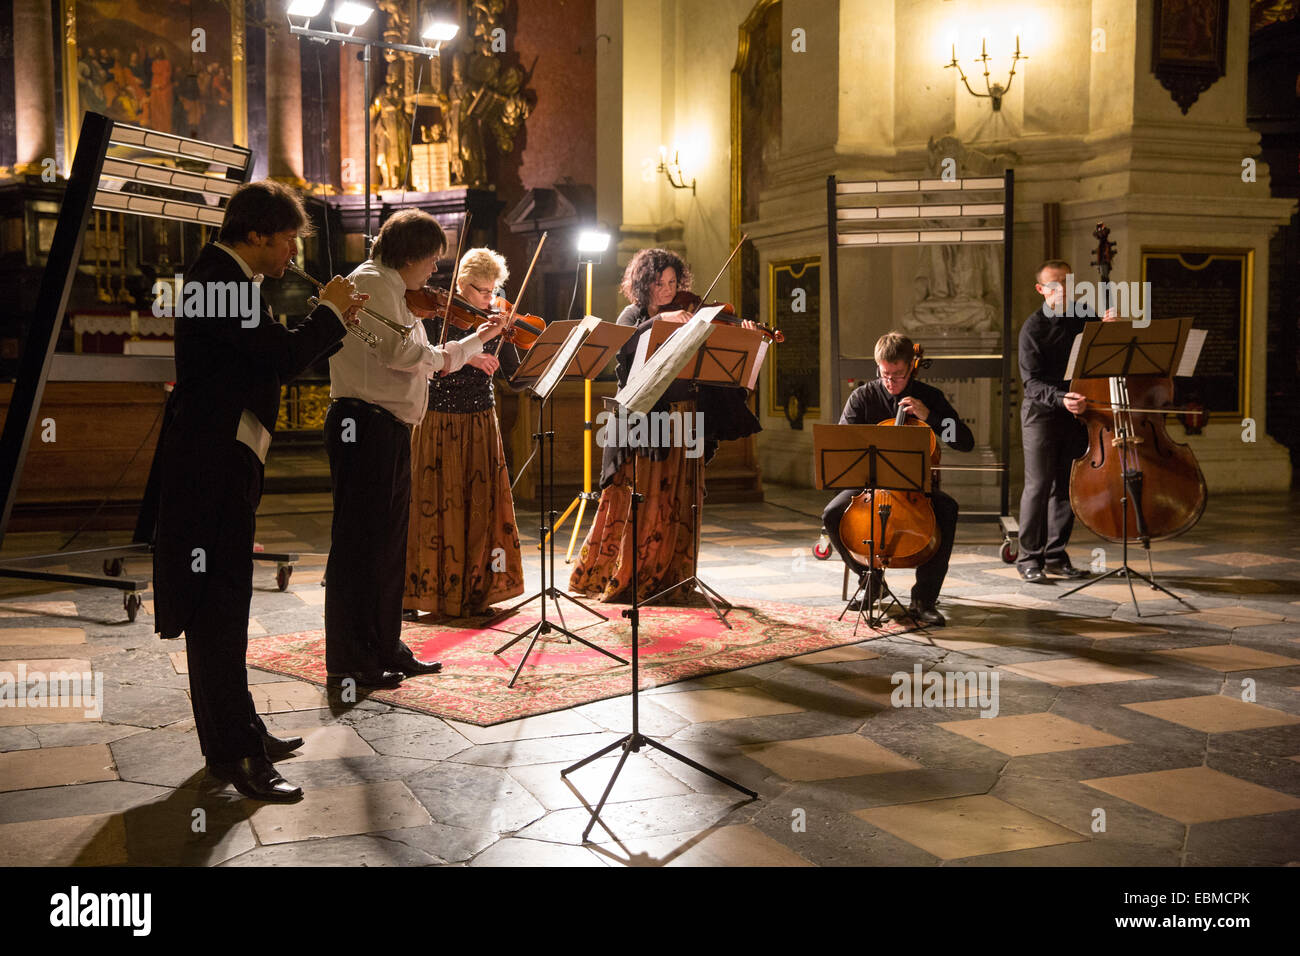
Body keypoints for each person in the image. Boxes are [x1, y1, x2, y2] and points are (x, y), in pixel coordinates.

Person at [153, 180, 367, 802]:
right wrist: (328, 312)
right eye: (287, 239)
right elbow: (280, 358)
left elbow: (269, 352)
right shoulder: (220, 282)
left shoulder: (227, 277)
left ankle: (240, 727)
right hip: (211, 464)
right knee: (217, 609)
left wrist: (325, 318)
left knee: (227, 606)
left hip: (223, 459)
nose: (291, 252)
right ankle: (234, 754)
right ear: (256, 234)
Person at [325, 210, 502, 688]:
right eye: (431, 261)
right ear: (410, 256)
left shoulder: (394, 289)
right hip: (364, 426)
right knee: (361, 549)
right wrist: (458, 350)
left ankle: (384, 646)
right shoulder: (374, 283)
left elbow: (423, 358)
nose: (433, 273)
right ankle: (353, 658)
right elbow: (402, 355)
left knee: (385, 548)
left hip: (386, 427)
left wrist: (471, 341)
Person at [569, 248, 761, 603]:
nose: (668, 291)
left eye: (673, 283)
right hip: (644, 421)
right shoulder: (634, 314)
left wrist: (747, 335)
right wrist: (660, 322)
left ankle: (673, 574)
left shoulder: (694, 312)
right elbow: (622, 348)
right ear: (645, 284)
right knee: (646, 499)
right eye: (660, 283)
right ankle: (632, 573)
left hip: (685, 415)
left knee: (679, 499)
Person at [821, 331, 973, 627]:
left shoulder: (930, 398)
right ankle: (870, 578)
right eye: (885, 374)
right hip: (868, 484)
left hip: (916, 489)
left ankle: (924, 599)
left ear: (912, 366)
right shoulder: (863, 396)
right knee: (831, 515)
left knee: (947, 509)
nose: (890, 382)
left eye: (898, 375)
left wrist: (932, 417)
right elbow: (844, 445)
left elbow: (964, 441)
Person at [404, 247, 524, 618]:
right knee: (434, 505)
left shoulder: (493, 317)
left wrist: (510, 339)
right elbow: (425, 358)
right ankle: (423, 591)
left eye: (494, 291)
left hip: (480, 420)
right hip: (439, 419)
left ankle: (477, 589)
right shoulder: (439, 314)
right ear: (461, 283)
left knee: (480, 506)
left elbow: (515, 379)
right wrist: (468, 351)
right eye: (482, 291)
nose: (490, 299)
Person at [1016, 258, 1112, 582]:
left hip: (1078, 412)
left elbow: (1104, 350)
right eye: (1055, 285)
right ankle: (1029, 558)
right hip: (1041, 414)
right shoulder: (1032, 328)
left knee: (1066, 487)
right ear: (1041, 290)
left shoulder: (1084, 315)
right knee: (1039, 485)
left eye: (1068, 283)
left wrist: (1111, 328)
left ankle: (1056, 556)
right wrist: (1062, 399)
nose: (1064, 290)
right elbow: (1031, 384)